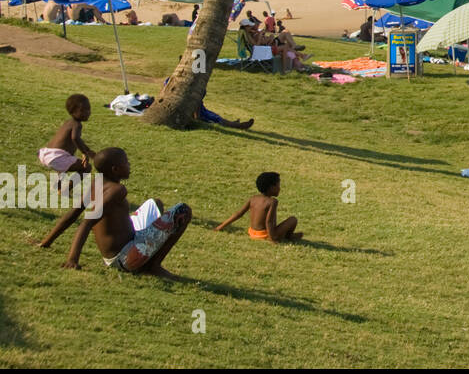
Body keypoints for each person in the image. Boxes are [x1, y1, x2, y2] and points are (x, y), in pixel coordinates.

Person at [57, 148, 191, 278]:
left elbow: (73, 214)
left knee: (155, 204)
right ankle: (153, 267)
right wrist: (72, 260)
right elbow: (86, 223)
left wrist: (46, 242)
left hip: (123, 248)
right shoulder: (118, 190)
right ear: (115, 169)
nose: (129, 164)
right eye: (126, 162)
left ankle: (148, 261)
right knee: (183, 211)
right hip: (126, 258)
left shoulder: (97, 182)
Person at [214, 171, 302, 241]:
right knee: (293, 219)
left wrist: (220, 227)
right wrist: (272, 239)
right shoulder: (272, 202)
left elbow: (238, 214)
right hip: (265, 235)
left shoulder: (253, 198)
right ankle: (289, 237)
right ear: (271, 187)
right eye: (278, 185)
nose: (280, 188)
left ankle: (285, 236)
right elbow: (269, 222)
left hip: (252, 233)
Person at [37, 94, 95, 179]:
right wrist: (84, 153)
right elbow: (75, 138)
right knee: (87, 168)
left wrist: (88, 150)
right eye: (83, 110)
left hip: (46, 153)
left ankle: (59, 187)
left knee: (68, 162)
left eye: (88, 109)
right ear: (73, 111)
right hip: (56, 156)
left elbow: (77, 140)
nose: (88, 112)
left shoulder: (68, 122)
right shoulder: (77, 124)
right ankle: (66, 189)